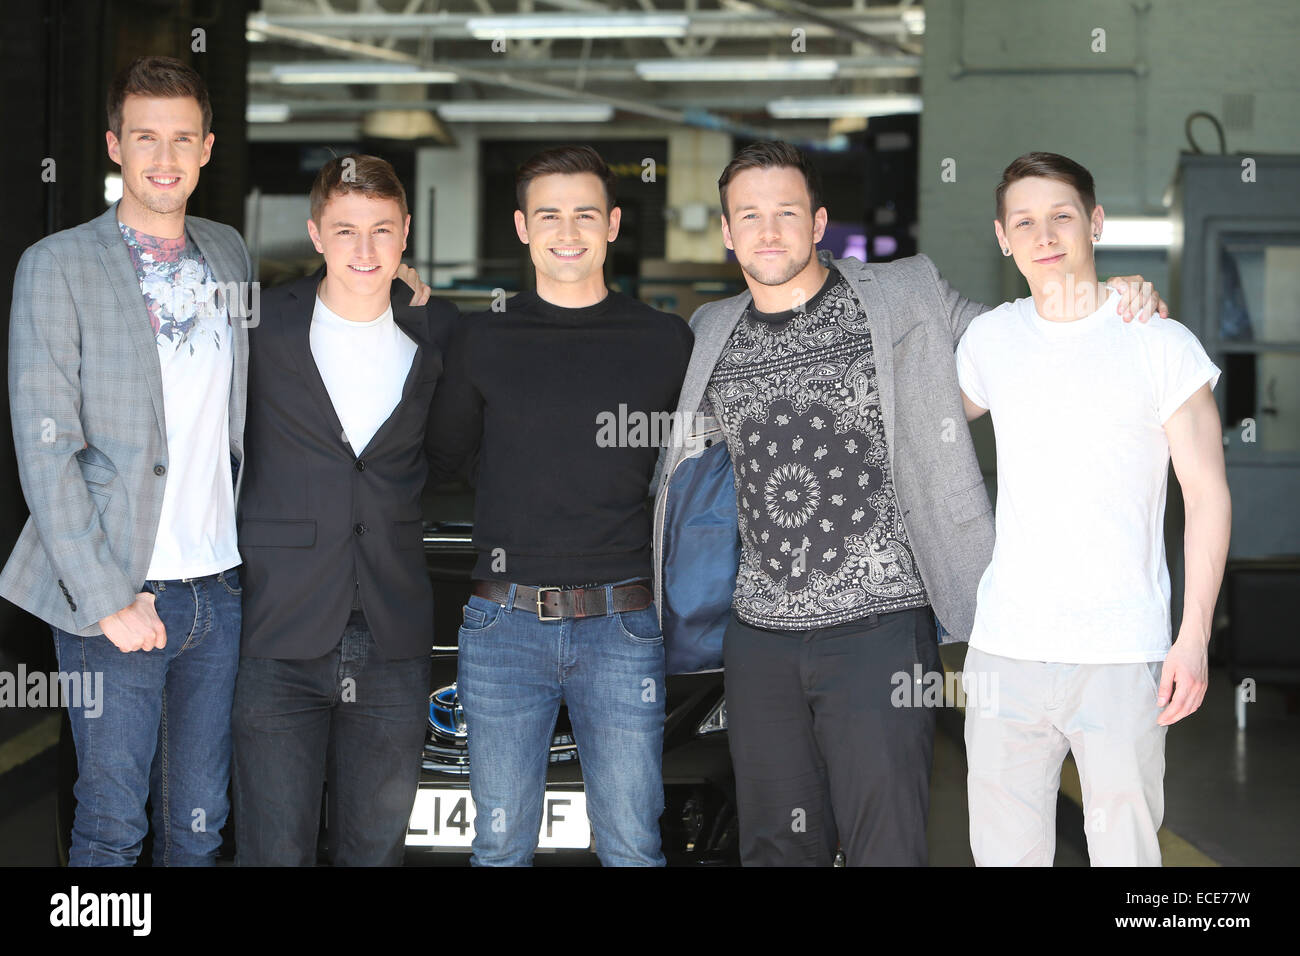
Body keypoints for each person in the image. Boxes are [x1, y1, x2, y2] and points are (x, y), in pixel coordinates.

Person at [651, 140, 1167, 866]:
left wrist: (1112, 297)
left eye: (787, 212)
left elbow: (1034, 338)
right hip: (758, 637)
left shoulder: (903, 293)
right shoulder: (710, 331)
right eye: (750, 216)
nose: (769, 231)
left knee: (885, 845)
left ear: (820, 220)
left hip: (879, 634)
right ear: (728, 232)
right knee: (774, 844)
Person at [1, 55, 250, 865]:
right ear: (115, 145)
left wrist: (399, 294)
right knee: (112, 825)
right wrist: (109, 599)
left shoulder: (228, 253)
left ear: (208, 147)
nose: (165, 157)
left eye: (182, 138)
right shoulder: (57, 265)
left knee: (200, 825)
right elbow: (47, 450)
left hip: (217, 587)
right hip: (118, 594)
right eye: (146, 137)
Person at [956, 151, 1230, 866]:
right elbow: (914, 435)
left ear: (1095, 222)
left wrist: (1193, 636)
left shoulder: (1160, 342)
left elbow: (1206, 496)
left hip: (1120, 651)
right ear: (1002, 237)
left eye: (1061, 216)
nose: (1044, 234)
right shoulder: (989, 342)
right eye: (1025, 221)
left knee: (1128, 858)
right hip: (1004, 650)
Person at [427, 145, 693, 866]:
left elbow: (693, 472)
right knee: (499, 847)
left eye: (584, 214)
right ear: (521, 226)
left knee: (634, 846)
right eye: (549, 214)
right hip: (503, 624)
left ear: (611, 224)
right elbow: (442, 458)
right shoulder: (481, 338)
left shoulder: (666, 341)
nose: (567, 230)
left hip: (623, 625)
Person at [230, 154, 459, 866]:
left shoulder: (442, 331)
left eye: (382, 230)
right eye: (346, 230)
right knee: (273, 849)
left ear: (406, 234)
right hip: (278, 628)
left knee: (375, 852)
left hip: (391, 634)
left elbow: (460, 452)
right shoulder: (260, 325)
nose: (365, 250)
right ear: (316, 233)